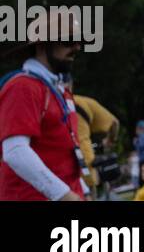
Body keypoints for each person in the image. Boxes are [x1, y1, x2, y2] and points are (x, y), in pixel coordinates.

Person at [0, 38, 85, 201]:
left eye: (78, 42)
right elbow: (15, 151)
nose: (77, 47)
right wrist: (64, 195)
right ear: (42, 47)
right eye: (68, 41)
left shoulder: (57, 89)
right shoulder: (23, 87)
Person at [70, 83, 118, 196]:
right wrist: (111, 140)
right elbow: (115, 123)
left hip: (77, 155)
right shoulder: (86, 102)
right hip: (86, 155)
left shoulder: (61, 103)